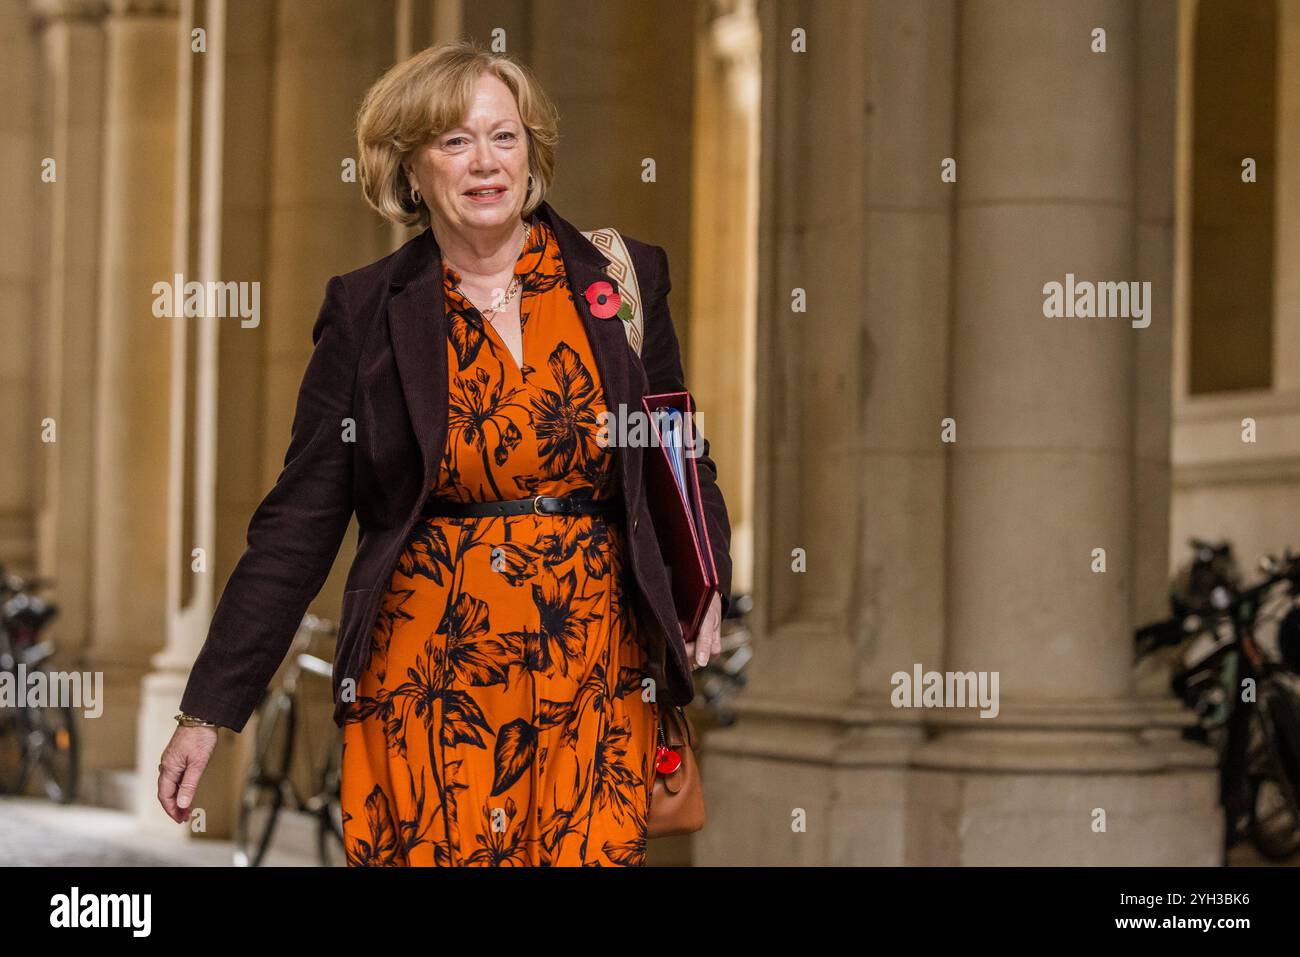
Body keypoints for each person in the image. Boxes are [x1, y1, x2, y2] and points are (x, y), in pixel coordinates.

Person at [157, 39, 732, 866]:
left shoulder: (620, 280)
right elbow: (299, 521)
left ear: (532, 152)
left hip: (596, 665)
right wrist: (208, 710)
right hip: (426, 678)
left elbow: (679, 449)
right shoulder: (366, 312)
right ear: (409, 168)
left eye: (504, 136)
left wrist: (701, 570)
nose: (485, 162)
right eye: (454, 141)